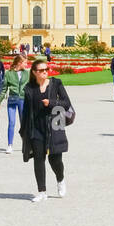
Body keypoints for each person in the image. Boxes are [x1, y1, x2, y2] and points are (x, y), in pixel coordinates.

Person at [21, 56, 72, 200]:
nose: (45, 72)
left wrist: (51, 103)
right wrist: (23, 130)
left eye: (46, 69)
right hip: (36, 128)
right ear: (34, 72)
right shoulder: (29, 88)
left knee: (55, 159)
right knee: (38, 159)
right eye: (41, 70)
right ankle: (42, 192)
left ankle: (60, 179)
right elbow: (26, 111)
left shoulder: (56, 83)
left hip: (55, 124)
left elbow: (66, 103)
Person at [0, 53, 30, 154]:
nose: (27, 64)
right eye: (25, 62)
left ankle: (25, 144)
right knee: (11, 123)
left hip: (23, 100)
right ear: (19, 63)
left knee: (23, 123)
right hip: (12, 100)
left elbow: (32, 87)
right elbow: (4, 89)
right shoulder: (8, 73)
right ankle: (10, 145)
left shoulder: (27, 73)